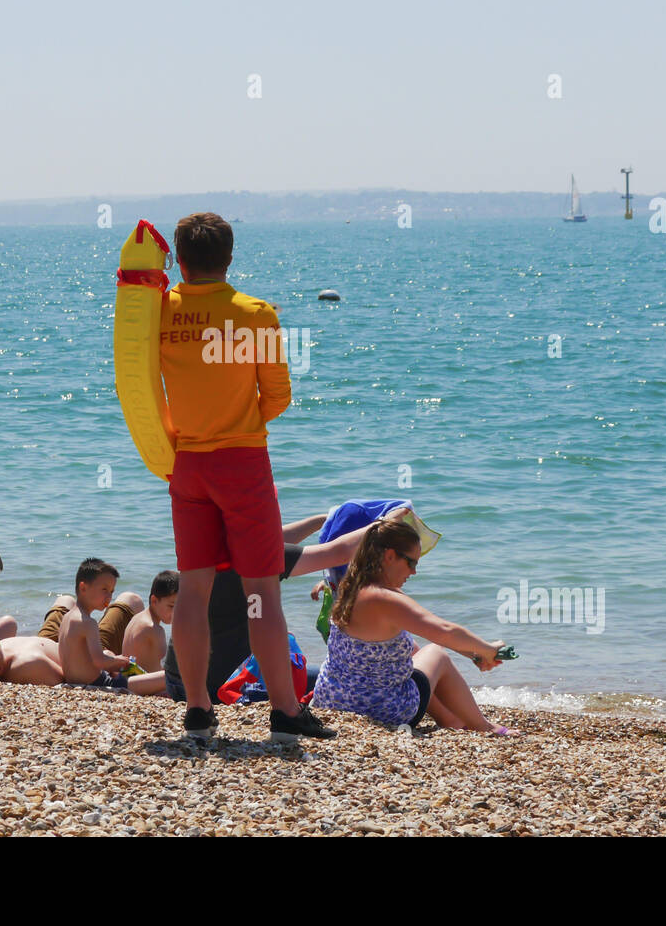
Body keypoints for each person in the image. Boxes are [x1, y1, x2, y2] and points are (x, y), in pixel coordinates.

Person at [159, 211, 334, 742]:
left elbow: (139, 386)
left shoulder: (156, 312)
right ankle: (284, 711)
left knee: (193, 589)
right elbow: (278, 395)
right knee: (261, 591)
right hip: (241, 462)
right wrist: (241, 419)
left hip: (185, 463)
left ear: (179, 259)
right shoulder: (255, 314)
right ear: (229, 259)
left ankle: (197, 708)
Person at [160, 507, 407, 703]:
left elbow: (276, 540)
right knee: (327, 679)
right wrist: (384, 524)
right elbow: (341, 551)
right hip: (218, 687)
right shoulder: (259, 559)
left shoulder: (209, 552)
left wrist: (326, 520)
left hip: (178, 680)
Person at [313, 520, 519, 736]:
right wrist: (489, 649)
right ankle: (484, 726)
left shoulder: (353, 585)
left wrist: (473, 654)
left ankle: (448, 718)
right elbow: (443, 630)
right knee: (436, 655)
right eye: (411, 563)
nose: (413, 572)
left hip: (331, 700)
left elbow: (431, 631)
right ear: (390, 556)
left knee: (413, 649)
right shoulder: (384, 599)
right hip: (377, 710)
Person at [53, 559, 165, 695]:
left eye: (112, 591)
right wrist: (120, 662)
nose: (109, 596)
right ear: (83, 588)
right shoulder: (88, 622)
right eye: (104, 590)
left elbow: (88, 657)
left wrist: (113, 660)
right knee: (165, 677)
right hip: (100, 684)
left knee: (109, 654)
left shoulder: (68, 617)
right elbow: (99, 661)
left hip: (77, 680)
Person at [120, 570, 178, 673]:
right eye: (171, 606)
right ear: (154, 600)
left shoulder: (137, 618)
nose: (176, 612)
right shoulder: (154, 629)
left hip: (128, 677)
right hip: (143, 684)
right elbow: (165, 668)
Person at [0, 633, 65, 685]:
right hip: (64, 645)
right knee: (67, 601)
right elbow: (66, 676)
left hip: (43, 638)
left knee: (64, 600)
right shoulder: (29, 665)